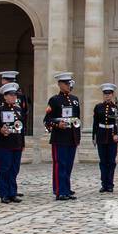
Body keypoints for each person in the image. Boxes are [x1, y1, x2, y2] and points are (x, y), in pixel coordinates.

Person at [43, 72, 81, 200]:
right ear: (59, 84)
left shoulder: (75, 100)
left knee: (69, 164)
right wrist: (57, 124)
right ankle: (60, 190)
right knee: (60, 164)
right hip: (59, 137)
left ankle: (66, 188)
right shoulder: (54, 100)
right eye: (65, 83)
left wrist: (78, 137)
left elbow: (77, 119)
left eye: (69, 83)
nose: (68, 85)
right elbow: (47, 120)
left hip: (72, 136)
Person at [0, 82, 26, 204]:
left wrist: (22, 143)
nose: (13, 97)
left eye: (15, 95)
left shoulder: (18, 110)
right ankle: (4, 193)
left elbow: (22, 128)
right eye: (10, 95)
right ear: (5, 96)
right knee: (4, 169)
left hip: (16, 143)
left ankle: (12, 193)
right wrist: (0, 130)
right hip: (3, 144)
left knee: (14, 169)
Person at [92, 83, 118, 193]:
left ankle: (110, 184)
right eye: (105, 94)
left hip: (112, 136)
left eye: (109, 94)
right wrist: (94, 136)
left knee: (111, 161)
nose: (107, 96)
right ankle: (104, 184)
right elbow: (95, 123)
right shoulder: (98, 107)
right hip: (101, 136)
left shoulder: (116, 107)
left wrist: (117, 134)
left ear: (112, 95)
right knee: (103, 161)